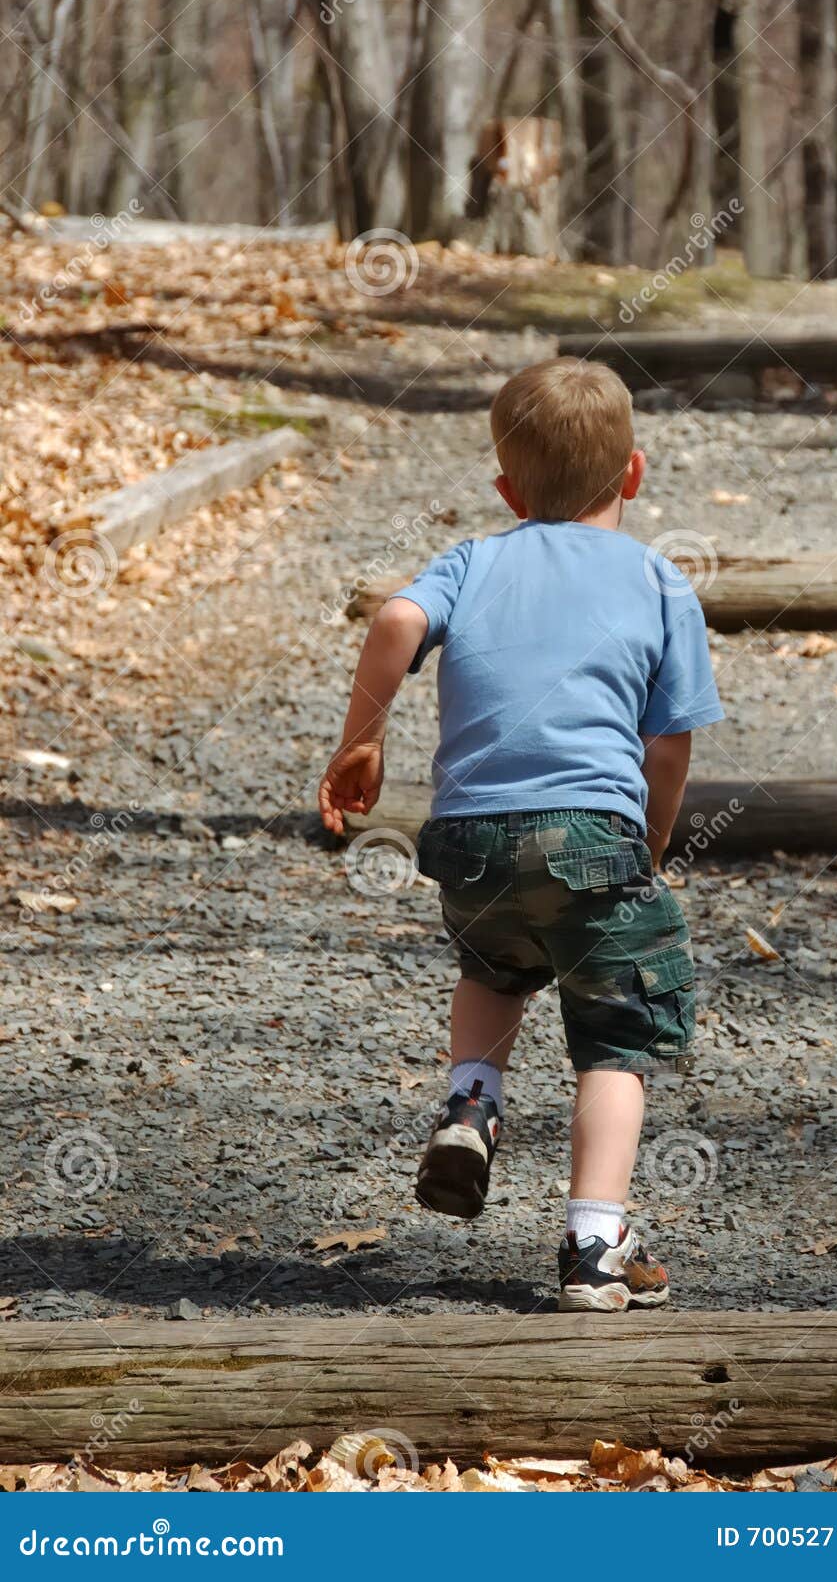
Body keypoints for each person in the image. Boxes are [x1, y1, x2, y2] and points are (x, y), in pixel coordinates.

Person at [319, 358, 723, 1310]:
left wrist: (362, 738)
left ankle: (472, 1101)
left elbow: (397, 616)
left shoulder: (471, 561)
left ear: (508, 491)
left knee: (494, 969)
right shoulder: (660, 581)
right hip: (594, 838)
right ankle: (594, 1245)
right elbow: (667, 748)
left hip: (469, 843)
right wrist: (650, 846)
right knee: (615, 1039)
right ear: (634, 472)